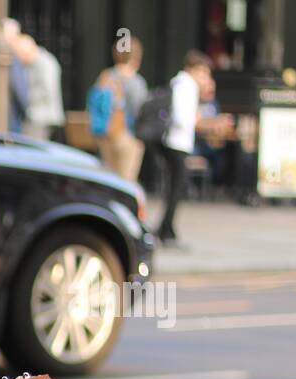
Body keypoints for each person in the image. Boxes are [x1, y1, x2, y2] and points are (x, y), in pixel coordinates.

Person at [157, 51, 213, 245]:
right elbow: (182, 119)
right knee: (176, 188)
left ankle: (167, 229)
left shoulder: (181, 84)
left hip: (175, 142)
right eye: (203, 73)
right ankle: (166, 231)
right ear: (192, 69)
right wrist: (197, 118)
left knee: (175, 188)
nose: (205, 78)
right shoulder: (186, 85)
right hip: (176, 142)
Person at [90, 37, 148, 183]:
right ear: (136, 56)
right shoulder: (136, 81)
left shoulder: (105, 76)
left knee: (109, 179)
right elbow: (139, 111)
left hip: (104, 134)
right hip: (126, 134)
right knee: (126, 182)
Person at [15, 34, 64, 140]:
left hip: (41, 116)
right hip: (37, 115)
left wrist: (26, 98)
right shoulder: (34, 63)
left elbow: (47, 89)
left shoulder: (44, 62)